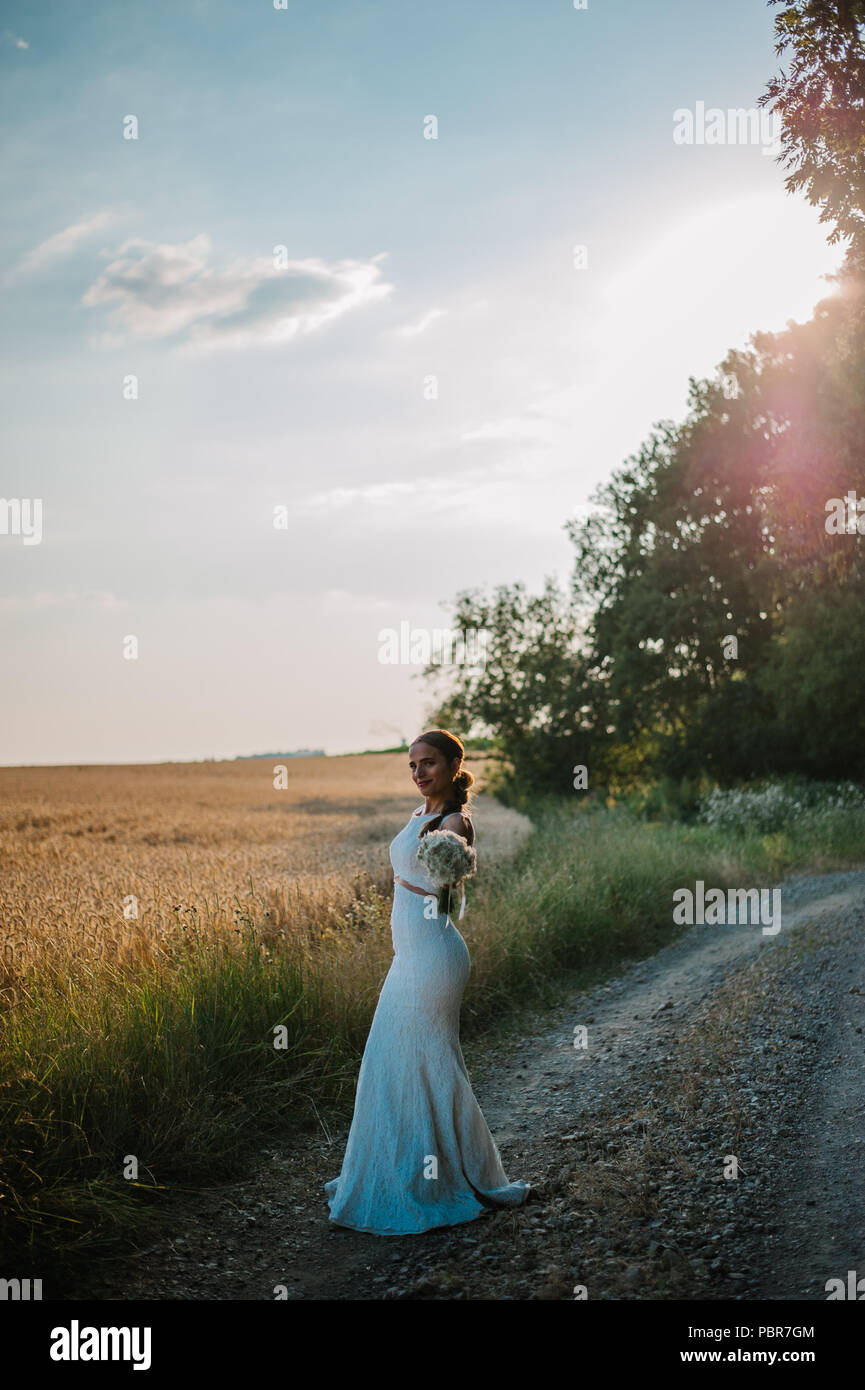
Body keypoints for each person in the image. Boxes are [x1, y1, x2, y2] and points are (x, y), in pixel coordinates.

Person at [324, 728, 530, 1234]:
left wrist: (445, 858)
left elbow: (447, 873)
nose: (419, 773)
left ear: (453, 766)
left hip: (434, 958)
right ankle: (402, 1170)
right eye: (412, 765)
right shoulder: (418, 815)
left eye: (429, 763)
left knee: (428, 1059)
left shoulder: (454, 820)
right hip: (408, 956)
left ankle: (442, 1180)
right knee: (389, 1059)